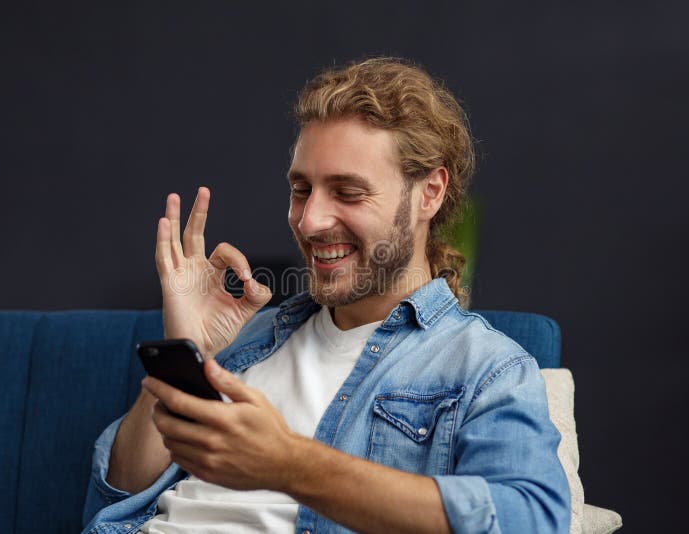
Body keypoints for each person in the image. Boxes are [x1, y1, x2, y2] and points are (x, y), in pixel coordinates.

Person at [82, 58, 570, 534]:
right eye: (301, 189)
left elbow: (529, 518)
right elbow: (119, 494)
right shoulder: (251, 336)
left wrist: (291, 464)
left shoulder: (484, 367)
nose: (310, 221)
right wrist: (189, 347)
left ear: (430, 192)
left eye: (348, 192)